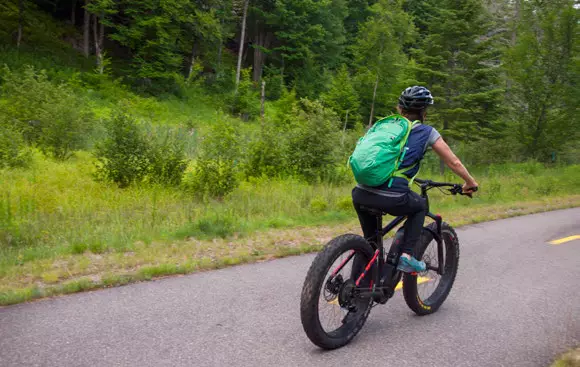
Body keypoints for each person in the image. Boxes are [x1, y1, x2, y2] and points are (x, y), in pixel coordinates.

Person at [351, 86, 479, 273]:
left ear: (399, 108)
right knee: (419, 206)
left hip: (361, 192)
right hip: (392, 195)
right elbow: (454, 162)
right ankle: (407, 256)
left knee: (370, 243)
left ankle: (357, 289)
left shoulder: (385, 126)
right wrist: (470, 182)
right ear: (424, 112)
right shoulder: (427, 132)